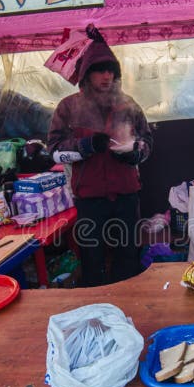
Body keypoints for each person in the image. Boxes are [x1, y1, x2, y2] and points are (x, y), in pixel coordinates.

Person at [48, 31, 152, 287]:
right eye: (99, 70)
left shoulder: (128, 105)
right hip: (90, 201)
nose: (106, 76)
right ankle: (96, 307)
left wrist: (135, 153)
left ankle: (129, 304)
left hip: (126, 197)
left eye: (110, 70)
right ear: (86, 74)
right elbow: (54, 150)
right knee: (92, 259)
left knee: (127, 256)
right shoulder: (68, 108)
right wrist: (85, 146)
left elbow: (147, 142)